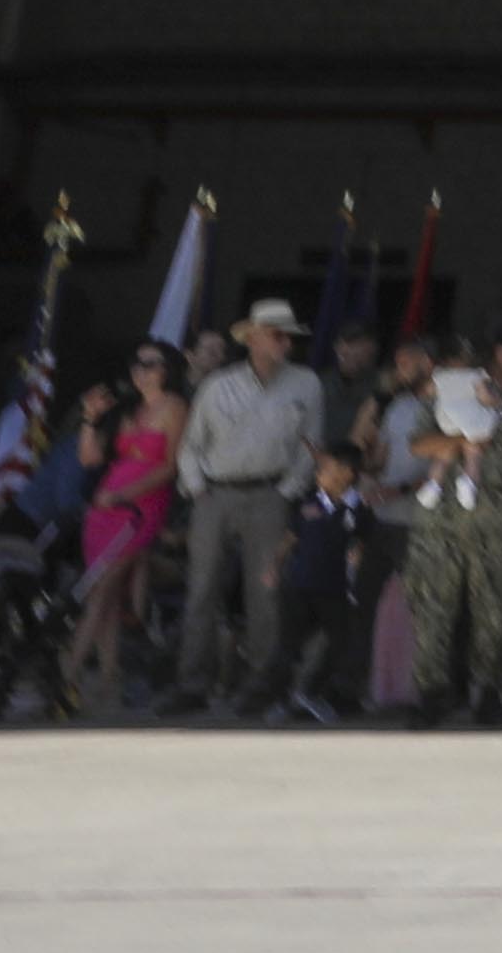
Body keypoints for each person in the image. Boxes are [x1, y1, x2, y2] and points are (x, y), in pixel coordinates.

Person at [168, 295, 320, 712]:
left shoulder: (306, 383)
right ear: (252, 339)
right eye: (276, 335)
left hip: (270, 492)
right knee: (202, 589)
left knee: (265, 594)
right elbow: (191, 446)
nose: (285, 344)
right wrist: (198, 489)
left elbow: (311, 446)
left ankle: (261, 684)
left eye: (288, 337)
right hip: (216, 493)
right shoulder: (218, 386)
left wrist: (287, 490)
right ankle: (192, 685)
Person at [399, 364, 502, 728]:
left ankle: (488, 692)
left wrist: (493, 409)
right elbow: (419, 444)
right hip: (438, 527)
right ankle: (432, 694)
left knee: (494, 612)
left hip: (495, 526)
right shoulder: (438, 404)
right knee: (431, 612)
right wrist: (466, 437)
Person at [66, 370, 182, 713]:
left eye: (151, 364)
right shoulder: (126, 410)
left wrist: (124, 494)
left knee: (100, 590)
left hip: (139, 508)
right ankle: (107, 680)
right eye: (136, 365)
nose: (141, 372)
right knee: (109, 600)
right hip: (105, 511)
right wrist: (90, 417)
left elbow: (169, 466)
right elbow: (89, 458)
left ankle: (69, 675)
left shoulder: (174, 406)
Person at [268, 436, 380, 722]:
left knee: (340, 645)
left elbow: (362, 544)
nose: (319, 473)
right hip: (300, 586)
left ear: (347, 473)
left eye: (327, 468)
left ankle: (312, 693)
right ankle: (281, 700)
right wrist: (274, 566)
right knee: (288, 646)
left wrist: (357, 559)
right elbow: (290, 538)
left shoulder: (359, 509)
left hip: (335, 590)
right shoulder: (308, 503)